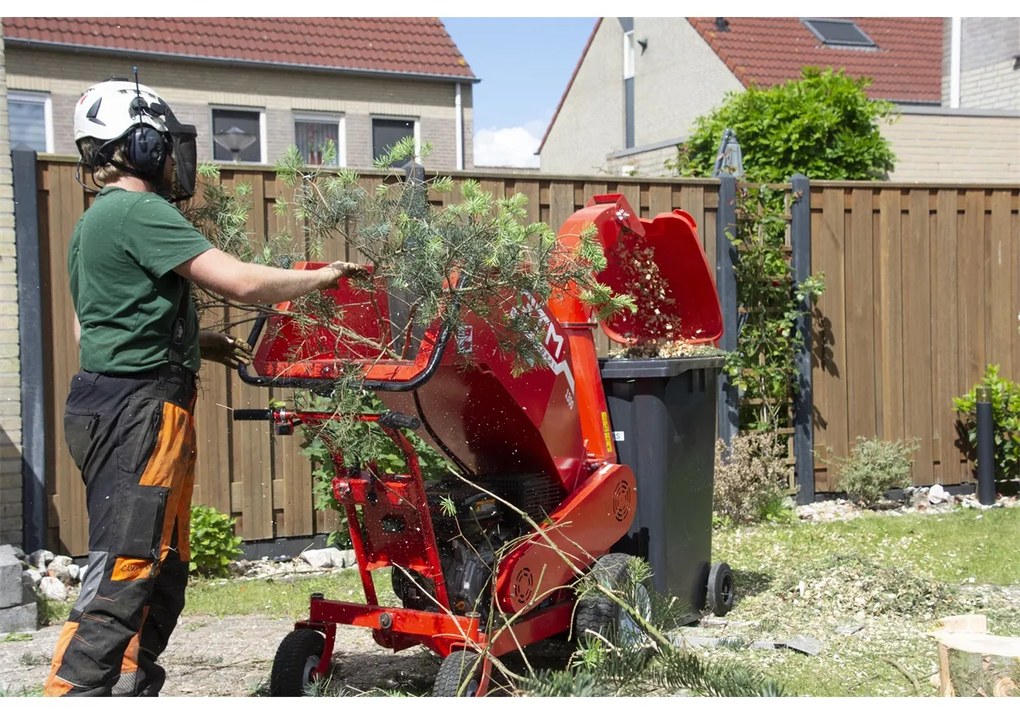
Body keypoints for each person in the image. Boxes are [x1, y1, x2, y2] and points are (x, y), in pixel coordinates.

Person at [43, 77, 364, 697]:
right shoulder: (139, 210)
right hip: (139, 411)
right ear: (138, 144)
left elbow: (95, 324)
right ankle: (72, 696)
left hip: (111, 401)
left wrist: (199, 342)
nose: (172, 158)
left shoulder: (93, 221)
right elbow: (240, 282)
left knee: (161, 566)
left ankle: (128, 686)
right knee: (127, 567)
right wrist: (321, 278)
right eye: (163, 144)